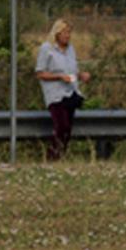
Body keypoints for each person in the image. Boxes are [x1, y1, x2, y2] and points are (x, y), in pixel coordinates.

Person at [35, 19, 90, 160]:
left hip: (70, 92)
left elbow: (72, 71)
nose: (68, 36)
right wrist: (59, 77)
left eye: (69, 32)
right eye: (65, 32)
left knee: (68, 129)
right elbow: (40, 73)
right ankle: (52, 157)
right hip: (55, 94)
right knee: (61, 125)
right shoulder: (47, 49)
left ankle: (60, 157)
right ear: (57, 33)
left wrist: (80, 75)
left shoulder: (71, 49)